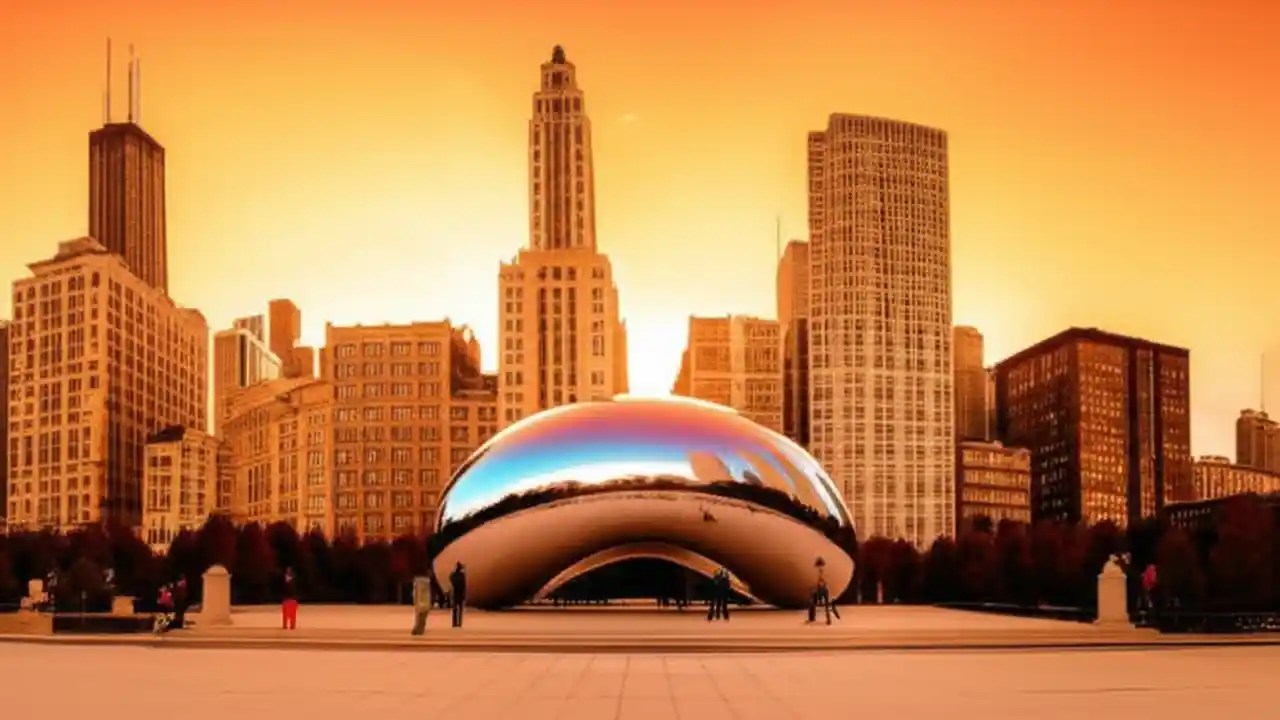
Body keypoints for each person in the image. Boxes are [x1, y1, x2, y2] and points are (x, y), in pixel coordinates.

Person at [411, 571, 434, 636]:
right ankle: (418, 628)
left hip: (422, 604)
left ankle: (418, 628)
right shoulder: (424, 582)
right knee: (421, 614)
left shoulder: (421, 582)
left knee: (421, 614)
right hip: (423, 604)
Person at [449, 562, 467, 628]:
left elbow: (450, 578)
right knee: (460, 610)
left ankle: (454, 623)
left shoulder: (453, 575)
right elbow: (464, 585)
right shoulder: (462, 575)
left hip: (455, 594)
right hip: (460, 594)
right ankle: (459, 623)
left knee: (454, 609)